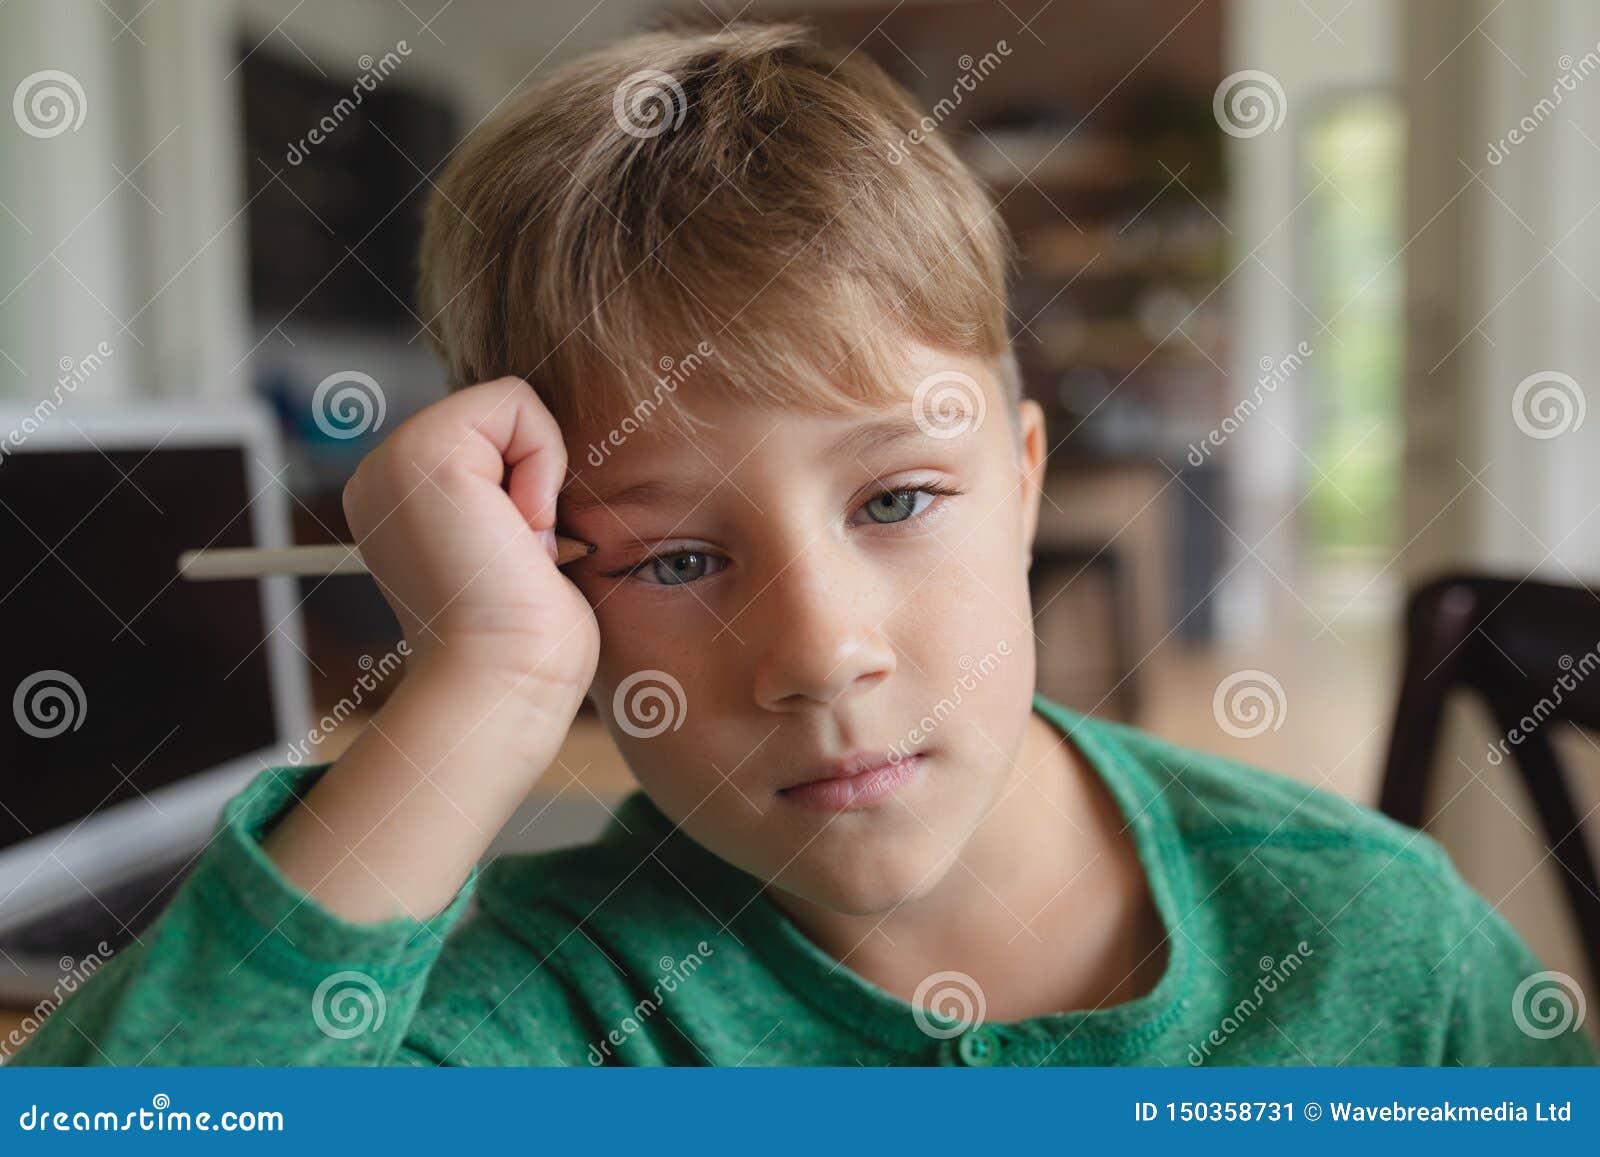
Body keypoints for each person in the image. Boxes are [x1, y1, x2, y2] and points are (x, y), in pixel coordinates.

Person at [12, 21, 1595, 1068]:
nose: (822, 651)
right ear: (550, 578)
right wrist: (480, 686)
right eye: (673, 559)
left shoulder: (1381, 946)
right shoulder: (557, 1013)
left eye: (897, 499)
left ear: (1027, 480)